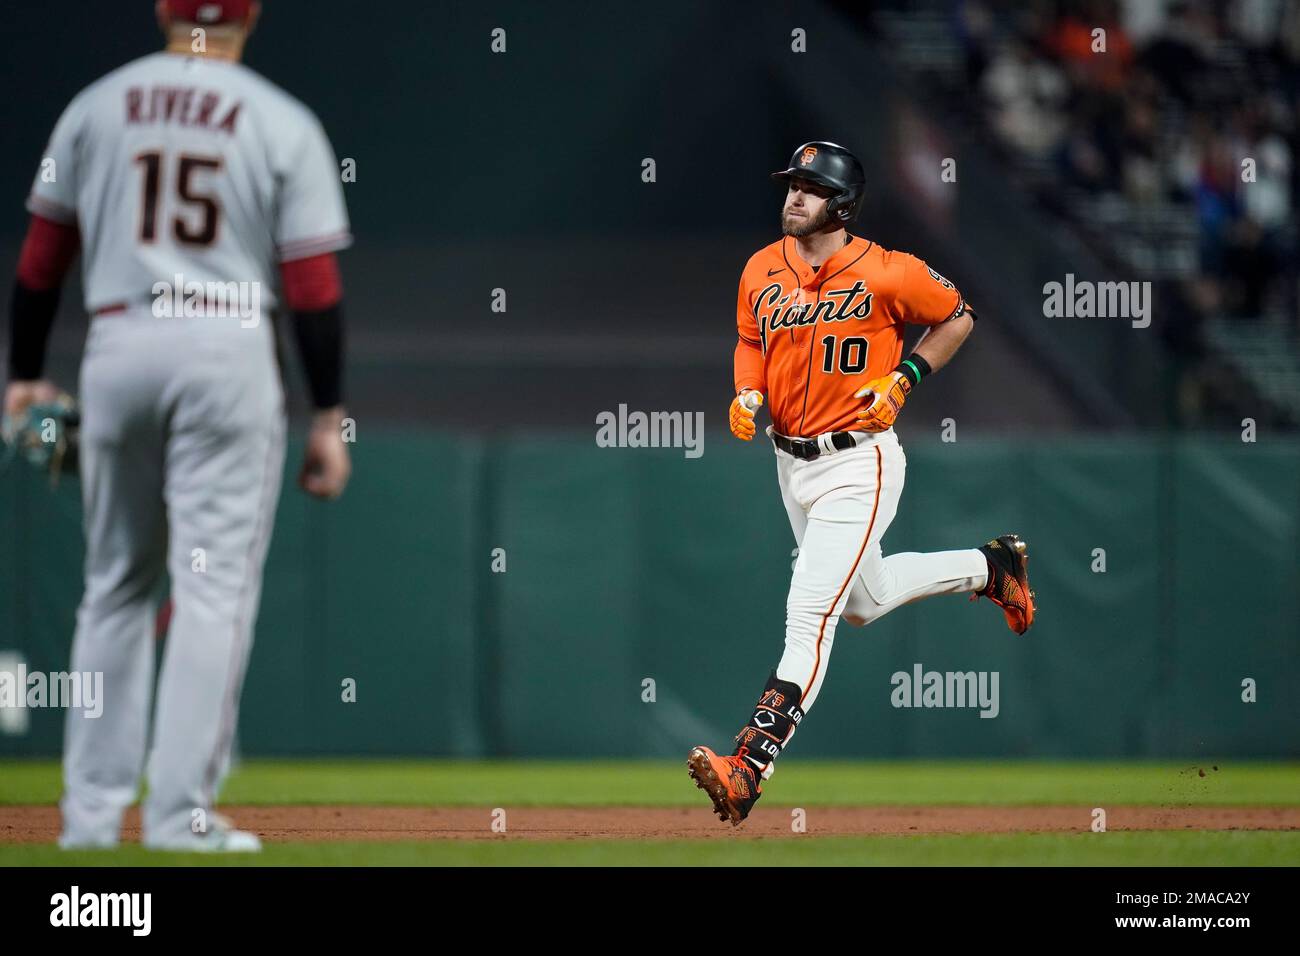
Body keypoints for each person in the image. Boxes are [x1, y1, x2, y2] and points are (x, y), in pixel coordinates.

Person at [5, 0, 353, 851]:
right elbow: (311, 288)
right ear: (252, 15)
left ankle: (86, 821)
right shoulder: (280, 118)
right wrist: (330, 416)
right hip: (225, 347)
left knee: (114, 586)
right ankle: (178, 817)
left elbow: (41, 261)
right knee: (212, 592)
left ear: (163, 12)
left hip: (118, 339)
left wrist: (22, 377)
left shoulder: (95, 104)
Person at [688, 142, 1035, 826]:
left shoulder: (886, 270)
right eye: (791, 184)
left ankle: (750, 763)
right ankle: (990, 567)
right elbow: (749, 340)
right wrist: (747, 392)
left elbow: (958, 314)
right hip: (791, 462)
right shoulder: (762, 267)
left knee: (808, 614)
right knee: (863, 601)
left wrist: (906, 377)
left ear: (840, 203)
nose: (793, 197)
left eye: (809, 188)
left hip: (859, 460)